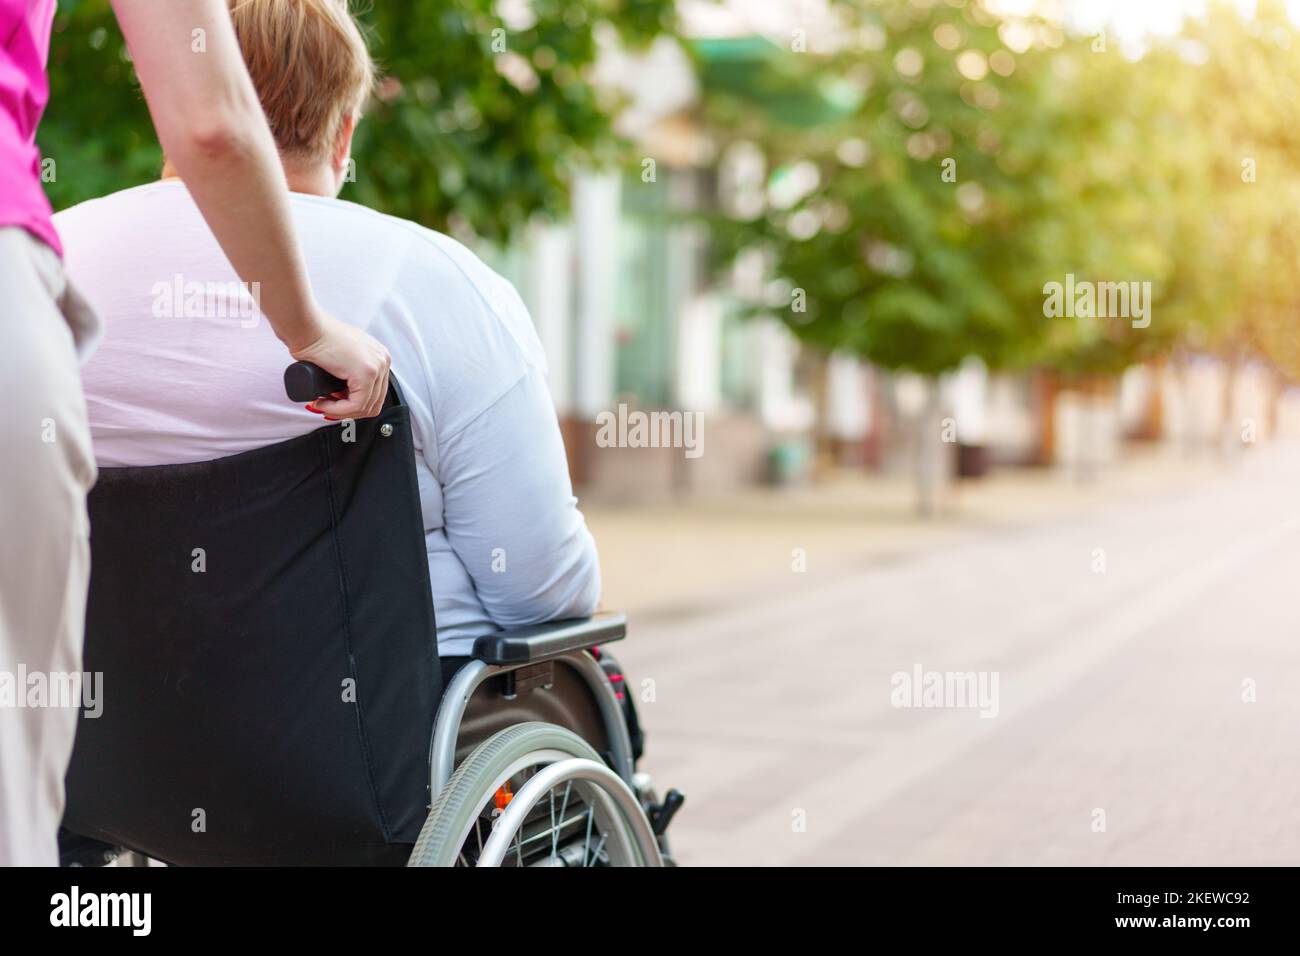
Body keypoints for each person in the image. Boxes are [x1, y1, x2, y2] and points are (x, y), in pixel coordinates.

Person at [54, 1, 601, 660]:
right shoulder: (445, 283)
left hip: (94, 735)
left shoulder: (49, 259)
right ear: (344, 134)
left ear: (168, 99)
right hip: (387, 741)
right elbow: (539, 591)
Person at [0, 0, 392, 866]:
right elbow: (213, 123)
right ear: (343, 131)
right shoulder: (431, 275)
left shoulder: (88, 237)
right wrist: (304, 329)